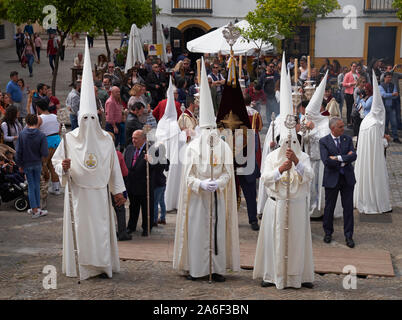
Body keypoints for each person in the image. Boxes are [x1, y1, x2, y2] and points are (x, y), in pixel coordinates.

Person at [52, 39, 126, 280]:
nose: (88, 123)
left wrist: (117, 191)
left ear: (98, 117)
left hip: (99, 194)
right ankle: (81, 266)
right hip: (78, 193)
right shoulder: (69, 139)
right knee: (81, 230)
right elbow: (57, 162)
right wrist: (63, 168)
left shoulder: (106, 140)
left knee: (101, 230)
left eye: (92, 119)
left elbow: (114, 167)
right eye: (84, 119)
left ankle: (102, 265)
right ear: (79, 118)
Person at [173, 58, 240, 282]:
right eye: (207, 128)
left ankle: (216, 268)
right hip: (198, 198)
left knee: (217, 233)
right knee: (198, 233)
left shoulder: (223, 146)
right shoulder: (192, 148)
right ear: (201, 129)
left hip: (217, 197)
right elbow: (187, 176)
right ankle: (198, 268)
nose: (211, 131)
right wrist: (201, 184)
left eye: (213, 128)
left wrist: (219, 183)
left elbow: (228, 173)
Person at [253, 110, 315, 289]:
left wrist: (297, 162)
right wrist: (280, 170)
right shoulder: (272, 158)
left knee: (297, 242)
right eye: (286, 143)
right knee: (274, 241)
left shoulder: (303, 157)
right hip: (277, 205)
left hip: (296, 206)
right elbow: (264, 178)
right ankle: (272, 275)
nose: (289, 146)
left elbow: (309, 175)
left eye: (293, 142)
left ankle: (299, 277)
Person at [354, 72, 392, 215]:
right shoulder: (375, 123)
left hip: (364, 157)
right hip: (374, 159)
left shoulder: (366, 121)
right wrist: (385, 140)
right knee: (376, 176)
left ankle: (363, 198)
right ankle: (375, 201)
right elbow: (379, 143)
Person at [320, 117, 357, 248]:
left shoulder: (347, 139)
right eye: (340, 127)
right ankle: (328, 232)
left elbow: (354, 155)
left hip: (347, 178)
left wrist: (338, 158)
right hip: (332, 179)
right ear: (333, 128)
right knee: (329, 208)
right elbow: (326, 161)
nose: (343, 129)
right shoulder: (324, 141)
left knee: (348, 209)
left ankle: (349, 236)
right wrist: (345, 159)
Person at [15, 114, 49, 218]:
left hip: (26, 163)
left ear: (27, 122)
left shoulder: (22, 134)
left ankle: (34, 209)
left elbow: (18, 152)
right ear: (37, 122)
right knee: (36, 185)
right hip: (37, 162)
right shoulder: (41, 135)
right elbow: (45, 152)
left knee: (31, 185)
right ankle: (37, 208)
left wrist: (19, 164)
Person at [124, 130, 155, 236]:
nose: (133, 140)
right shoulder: (129, 148)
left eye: (136, 138)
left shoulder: (151, 149)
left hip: (144, 184)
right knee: (133, 207)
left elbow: (162, 165)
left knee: (146, 207)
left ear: (143, 139)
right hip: (131, 184)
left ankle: (147, 227)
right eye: (133, 138)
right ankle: (131, 226)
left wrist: (152, 161)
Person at [36, 99, 61, 196]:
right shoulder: (55, 116)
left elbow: (36, 132)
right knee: (53, 165)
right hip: (56, 141)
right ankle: (56, 188)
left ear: (38, 108)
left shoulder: (39, 118)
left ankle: (44, 186)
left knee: (43, 164)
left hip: (46, 142)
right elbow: (59, 130)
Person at [380, 72, 401, 144]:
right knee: (385, 124)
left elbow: (396, 95)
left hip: (392, 106)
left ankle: (395, 137)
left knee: (394, 123)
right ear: (384, 78)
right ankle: (385, 137)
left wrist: (391, 95)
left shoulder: (393, 85)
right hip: (384, 107)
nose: (389, 78)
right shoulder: (380, 86)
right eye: (388, 77)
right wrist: (392, 94)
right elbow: (383, 95)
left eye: (390, 77)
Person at [380, 64, 402, 130]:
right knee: (386, 117)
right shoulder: (384, 75)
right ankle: (386, 130)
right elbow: (384, 95)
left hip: (396, 96)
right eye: (389, 68)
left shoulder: (396, 74)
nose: (390, 69)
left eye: (391, 68)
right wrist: (392, 95)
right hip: (387, 100)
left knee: (397, 112)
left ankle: (398, 126)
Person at [343, 62, 359, 127]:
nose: (354, 68)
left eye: (355, 66)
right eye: (353, 66)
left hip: (356, 93)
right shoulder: (347, 74)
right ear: (351, 67)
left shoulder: (358, 75)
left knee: (355, 108)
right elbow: (344, 84)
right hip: (349, 93)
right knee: (349, 108)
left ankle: (354, 121)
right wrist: (351, 84)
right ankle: (349, 122)